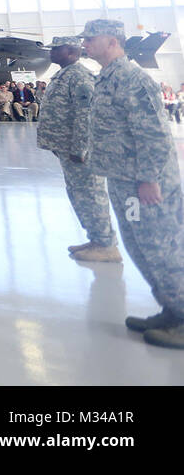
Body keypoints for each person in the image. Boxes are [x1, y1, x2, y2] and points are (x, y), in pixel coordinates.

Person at [82, 18, 184, 348]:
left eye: (91, 39)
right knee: (140, 247)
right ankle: (172, 310)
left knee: (162, 248)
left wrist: (149, 178)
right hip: (124, 182)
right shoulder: (107, 77)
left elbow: (154, 134)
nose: (85, 44)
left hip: (146, 185)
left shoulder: (132, 79)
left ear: (113, 42)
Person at [36, 35, 119, 263]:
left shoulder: (80, 77)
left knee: (91, 194)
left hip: (80, 151)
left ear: (72, 52)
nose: (51, 53)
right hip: (67, 148)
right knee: (79, 193)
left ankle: (106, 244)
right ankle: (96, 239)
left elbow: (86, 115)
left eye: (57, 49)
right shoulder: (64, 75)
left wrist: (80, 147)